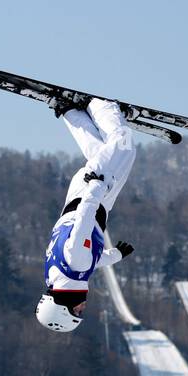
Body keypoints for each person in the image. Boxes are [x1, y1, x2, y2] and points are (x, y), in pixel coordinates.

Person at [36, 97, 137, 333]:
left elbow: (84, 221)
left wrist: (96, 189)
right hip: (89, 197)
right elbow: (94, 261)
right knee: (102, 151)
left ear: (63, 306)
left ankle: (103, 106)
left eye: (77, 311)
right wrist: (116, 255)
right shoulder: (61, 274)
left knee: (124, 146)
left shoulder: (76, 263)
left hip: (93, 194)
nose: (83, 307)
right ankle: (70, 111)